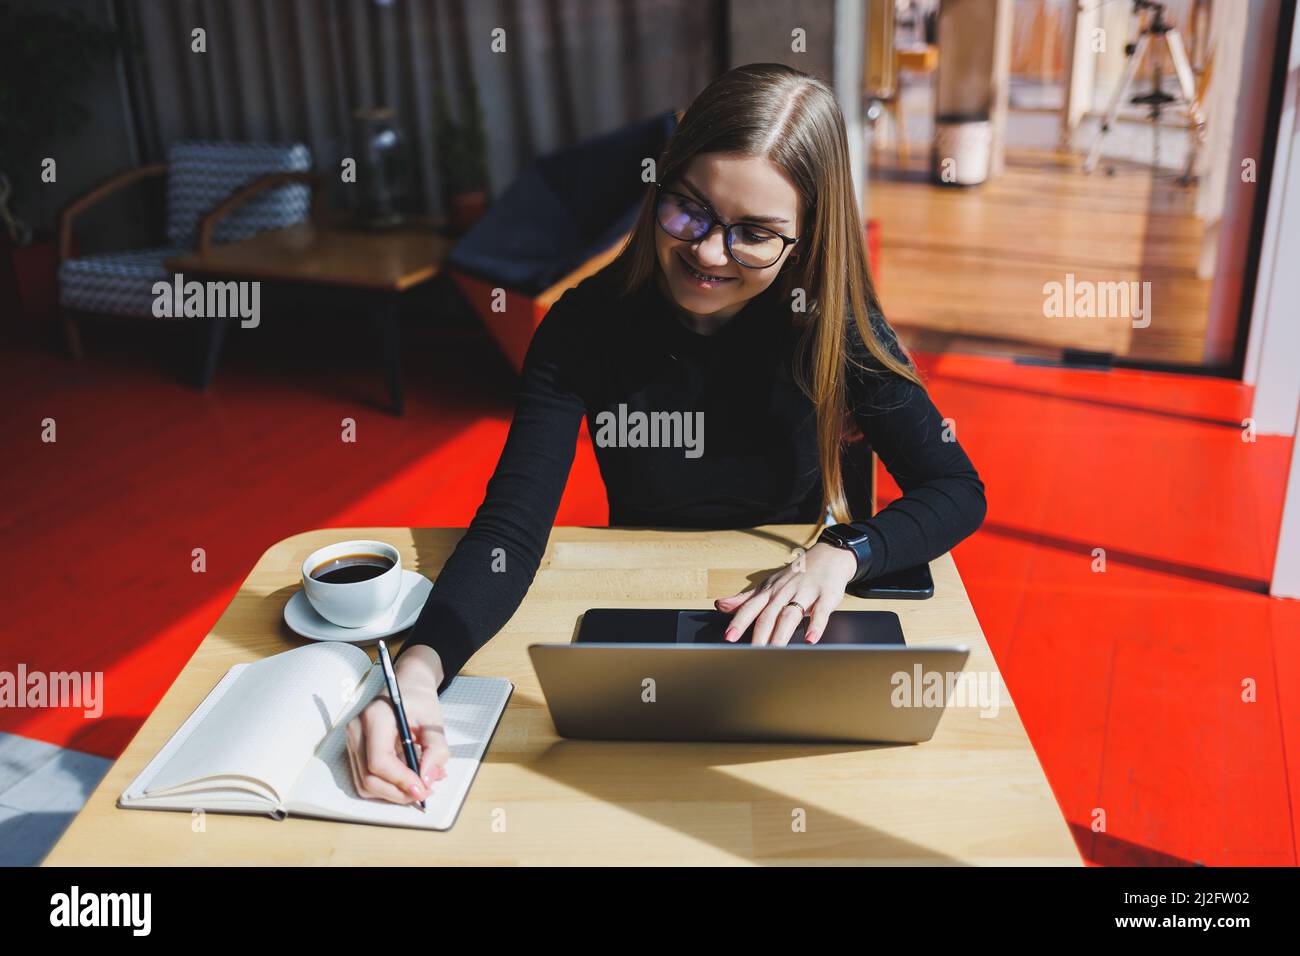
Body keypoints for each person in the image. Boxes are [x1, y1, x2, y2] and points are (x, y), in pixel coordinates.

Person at [344, 63, 986, 806]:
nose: (710, 252)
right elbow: (511, 534)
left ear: (806, 240)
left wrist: (847, 553)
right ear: (659, 186)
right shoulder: (583, 327)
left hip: (791, 609)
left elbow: (956, 489)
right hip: (643, 597)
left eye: (755, 235)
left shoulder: (831, 324)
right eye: (690, 211)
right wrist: (419, 671)